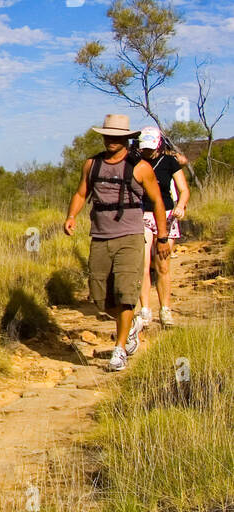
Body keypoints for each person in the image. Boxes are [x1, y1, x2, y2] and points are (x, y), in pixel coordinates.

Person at [64, 115, 170, 372]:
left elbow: (157, 202)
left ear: (126, 138)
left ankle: (119, 349)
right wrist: (71, 216)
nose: (111, 140)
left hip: (130, 237)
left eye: (117, 136)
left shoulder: (140, 167)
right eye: (107, 135)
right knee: (99, 298)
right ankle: (131, 324)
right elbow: (81, 193)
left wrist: (163, 237)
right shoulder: (92, 164)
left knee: (125, 294)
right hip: (100, 236)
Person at [136, 126, 188, 327]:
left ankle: (165, 309)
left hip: (165, 216)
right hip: (142, 215)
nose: (147, 151)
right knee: (142, 263)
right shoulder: (137, 163)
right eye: (144, 148)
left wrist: (181, 206)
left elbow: (183, 189)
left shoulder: (169, 162)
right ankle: (145, 309)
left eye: (150, 147)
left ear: (158, 144)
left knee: (162, 265)